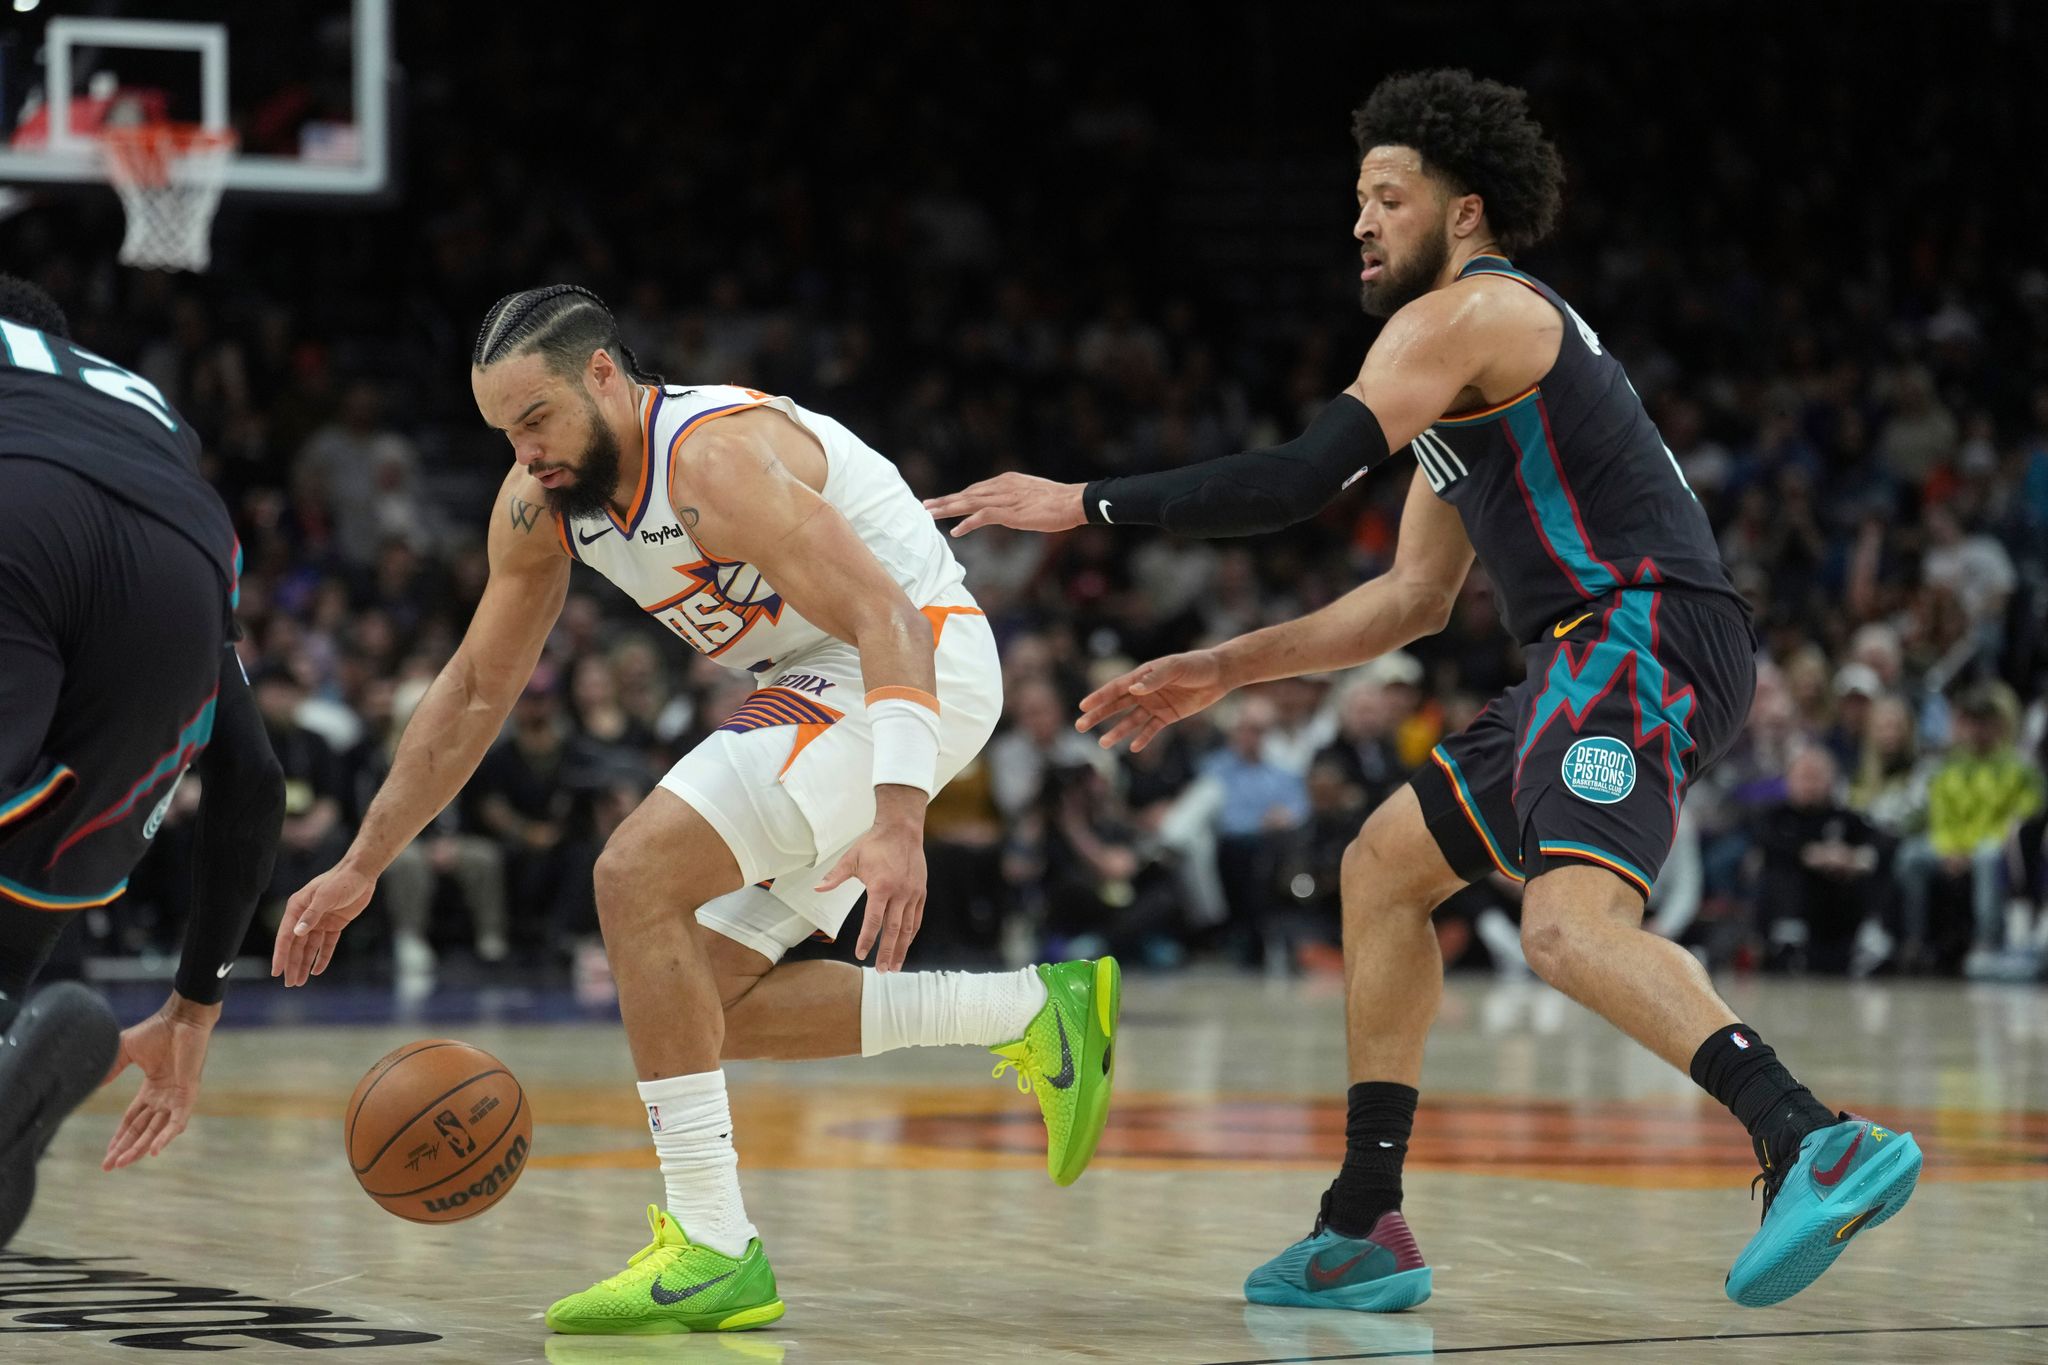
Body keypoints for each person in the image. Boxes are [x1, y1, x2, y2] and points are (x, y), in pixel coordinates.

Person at [927, 70, 1921, 1311]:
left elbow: (1299, 477)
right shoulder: (1466, 372)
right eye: (1356, 199)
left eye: (1386, 199)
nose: (1359, 223)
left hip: (1632, 632)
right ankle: (1361, 1224)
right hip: (1597, 646)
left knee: (1560, 928)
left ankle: (1807, 1136)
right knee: (1383, 868)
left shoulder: (1465, 318)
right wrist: (1220, 669)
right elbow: (1408, 601)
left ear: (1463, 214)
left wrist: (1082, 502)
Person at [271, 286, 1121, 1336]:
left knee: (633, 875)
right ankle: (1036, 1012)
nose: (524, 452)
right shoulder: (540, 504)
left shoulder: (710, 457)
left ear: (601, 377)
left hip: (910, 661)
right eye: (502, 431)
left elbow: (887, 616)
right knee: (693, 999)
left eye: (534, 420)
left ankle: (715, 1243)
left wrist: (899, 818)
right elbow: (475, 692)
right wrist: (362, 863)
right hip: (822, 683)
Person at [0, 275, 285, 1248]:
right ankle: (13, 1048)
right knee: (28, 875)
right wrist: (192, 1007)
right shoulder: (135, 404)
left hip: (19, 509)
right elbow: (252, 777)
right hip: (189, 555)